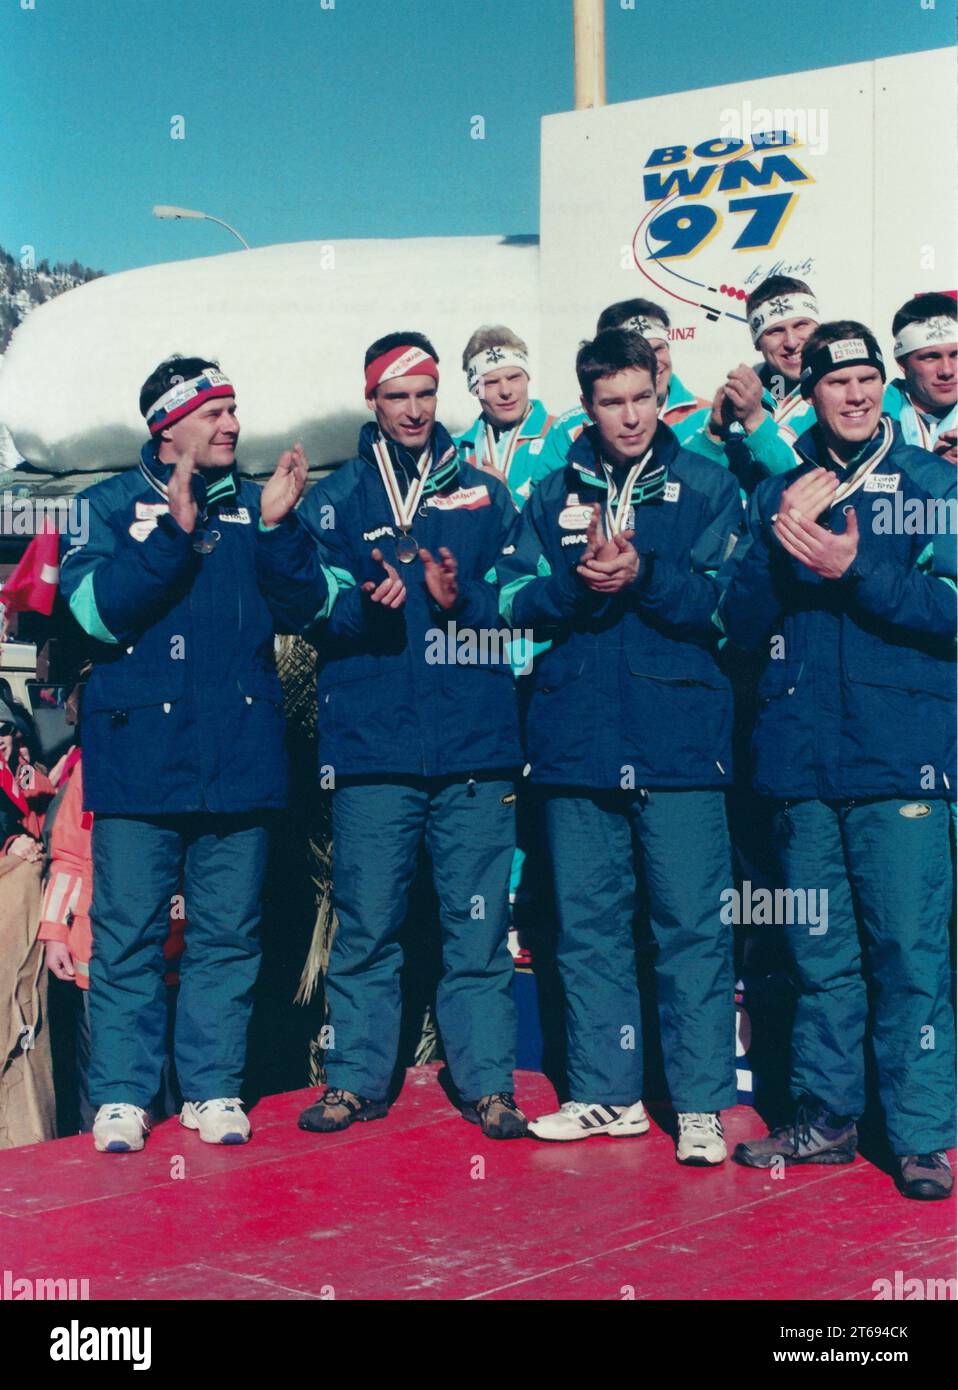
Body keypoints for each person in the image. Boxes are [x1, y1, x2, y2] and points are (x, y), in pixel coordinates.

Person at [255, 331, 528, 1139]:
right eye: (396, 396)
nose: (413, 410)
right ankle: (354, 1081)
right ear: (372, 400)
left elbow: (523, 600)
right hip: (372, 748)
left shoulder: (486, 494)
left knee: (474, 930)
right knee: (366, 924)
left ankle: (488, 1085)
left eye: (424, 394)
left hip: (474, 745)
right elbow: (304, 607)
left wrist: (463, 601)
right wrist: (283, 537)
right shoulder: (337, 500)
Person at [58, 355, 330, 1153]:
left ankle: (213, 1090)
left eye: (235, 411)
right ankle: (121, 1097)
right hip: (139, 764)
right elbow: (94, 619)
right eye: (215, 414)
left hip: (240, 763)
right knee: (130, 937)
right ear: (166, 427)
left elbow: (312, 606)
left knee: (228, 936)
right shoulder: (100, 508)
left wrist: (280, 531)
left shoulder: (255, 506)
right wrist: (172, 535)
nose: (233, 426)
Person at [719, 321, 957, 1200]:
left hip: (902, 766)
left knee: (909, 953)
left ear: (883, 385)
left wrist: (860, 569)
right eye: (835, 382)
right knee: (820, 956)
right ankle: (826, 1114)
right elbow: (733, 628)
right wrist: (782, 553)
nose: (853, 395)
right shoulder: (779, 490)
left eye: (865, 379)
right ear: (808, 394)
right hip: (800, 768)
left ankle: (923, 1133)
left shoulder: (931, 483)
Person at [498, 328, 741, 1160]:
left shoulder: (709, 485)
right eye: (611, 402)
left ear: (659, 387)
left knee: (690, 928)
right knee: (589, 926)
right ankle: (609, 1094)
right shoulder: (549, 489)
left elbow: (730, 610)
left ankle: (702, 1104)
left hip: (679, 743)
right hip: (575, 742)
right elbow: (508, 600)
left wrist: (646, 576)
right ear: (587, 405)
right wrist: (572, 585)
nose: (629, 416)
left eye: (641, 397)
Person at [530, 298, 711, 482]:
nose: (653, 362)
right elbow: (546, 497)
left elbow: (717, 488)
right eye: (637, 356)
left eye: (658, 349)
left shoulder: (708, 417)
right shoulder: (569, 427)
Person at [691, 275, 822, 492]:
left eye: (801, 325)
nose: (791, 342)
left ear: (818, 329)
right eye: (775, 331)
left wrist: (754, 421)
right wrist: (714, 433)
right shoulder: (739, 395)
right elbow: (689, 481)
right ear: (757, 342)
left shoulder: (840, 397)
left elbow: (806, 487)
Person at [455, 325, 555, 506]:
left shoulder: (559, 436)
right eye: (491, 382)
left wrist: (503, 496)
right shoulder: (456, 450)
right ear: (475, 390)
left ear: (527, 378)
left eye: (514, 377)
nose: (506, 391)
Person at [884, 292, 956, 465]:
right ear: (902, 364)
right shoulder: (871, 421)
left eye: (956, 355)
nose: (946, 371)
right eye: (931, 357)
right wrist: (932, 470)